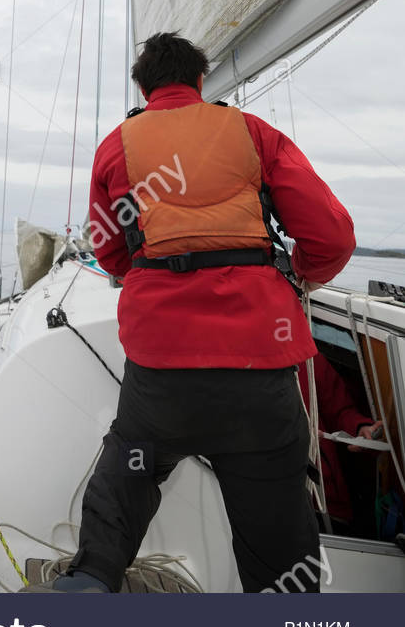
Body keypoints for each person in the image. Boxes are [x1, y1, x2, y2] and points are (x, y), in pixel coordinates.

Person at [39, 31, 355, 594]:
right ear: (201, 81)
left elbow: (110, 250)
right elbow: (331, 237)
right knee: (279, 533)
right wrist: (299, 269)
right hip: (259, 372)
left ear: (143, 86)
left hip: (163, 376)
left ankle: (88, 581)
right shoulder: (254, 134)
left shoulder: (118, 145)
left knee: (129, 468)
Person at [298, 352, 381, 532]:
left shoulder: (306, 356)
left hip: (324, 502)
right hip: (265, 500)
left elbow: (341, 411)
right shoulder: (231, 361)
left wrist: (360, 429)